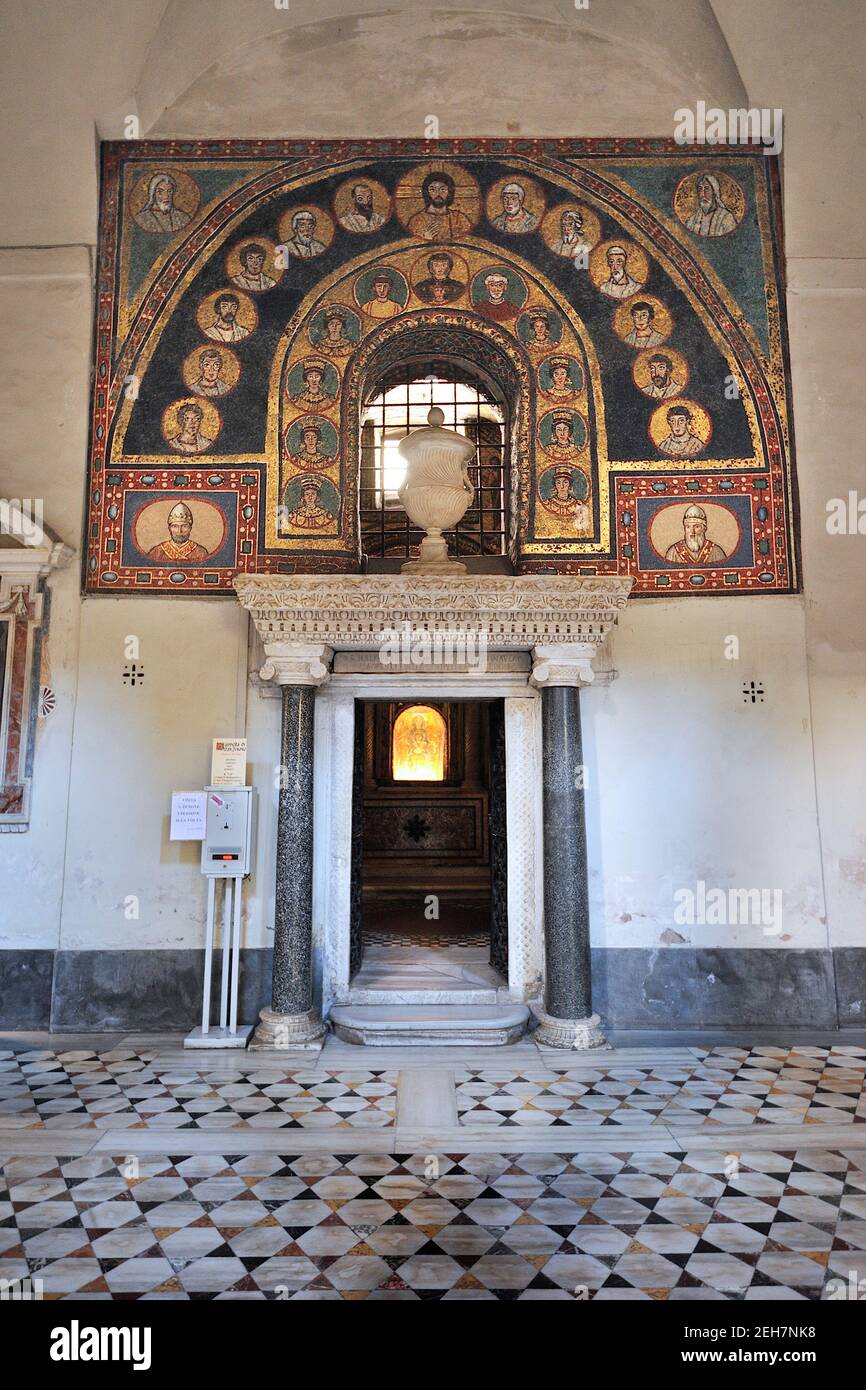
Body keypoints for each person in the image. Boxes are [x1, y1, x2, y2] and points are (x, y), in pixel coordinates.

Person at [407, 171, 473, 240]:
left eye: (442, 189)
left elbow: (469, 241)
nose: (438, 194)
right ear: (426, 192)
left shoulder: (459, 219)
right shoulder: (417, 220)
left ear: (449, 192)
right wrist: (425, 239)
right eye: (432, 189)